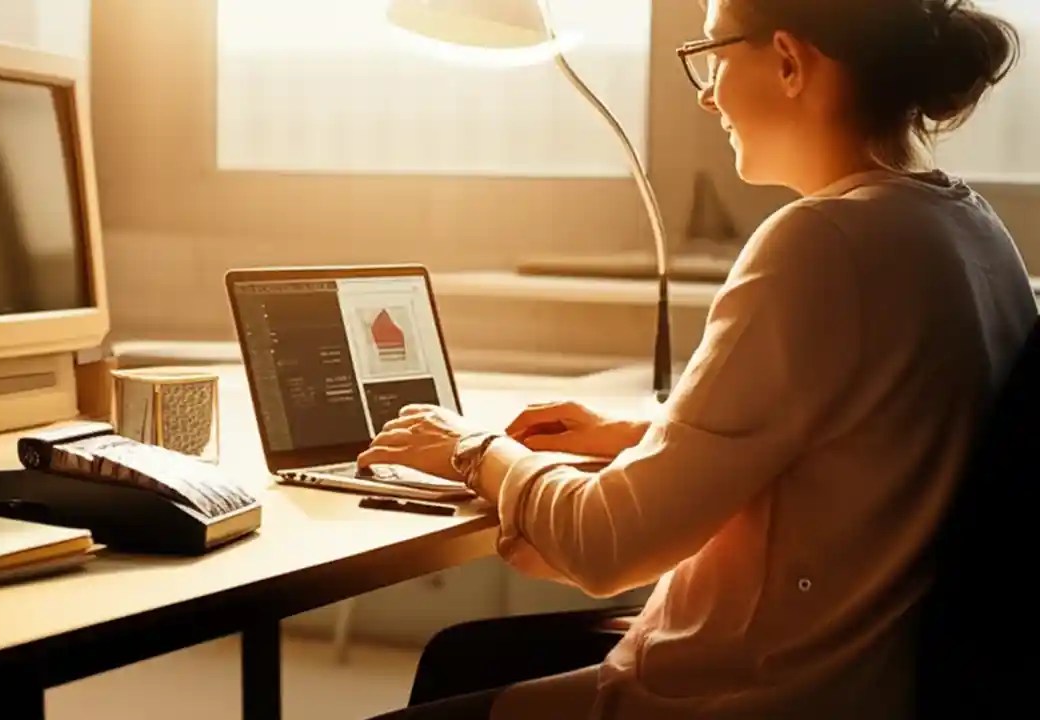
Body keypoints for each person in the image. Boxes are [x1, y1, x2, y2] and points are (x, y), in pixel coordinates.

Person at [360, 0, 1035, 718]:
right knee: (461, 659)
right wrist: (644, 438)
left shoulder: (823, 244)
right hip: (877, 676)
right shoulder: (969, 228)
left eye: (713, 54)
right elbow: (860, 447)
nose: (708, 93)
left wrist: (474, 449)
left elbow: (608, 545)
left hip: (763, 694)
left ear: (787, 61)